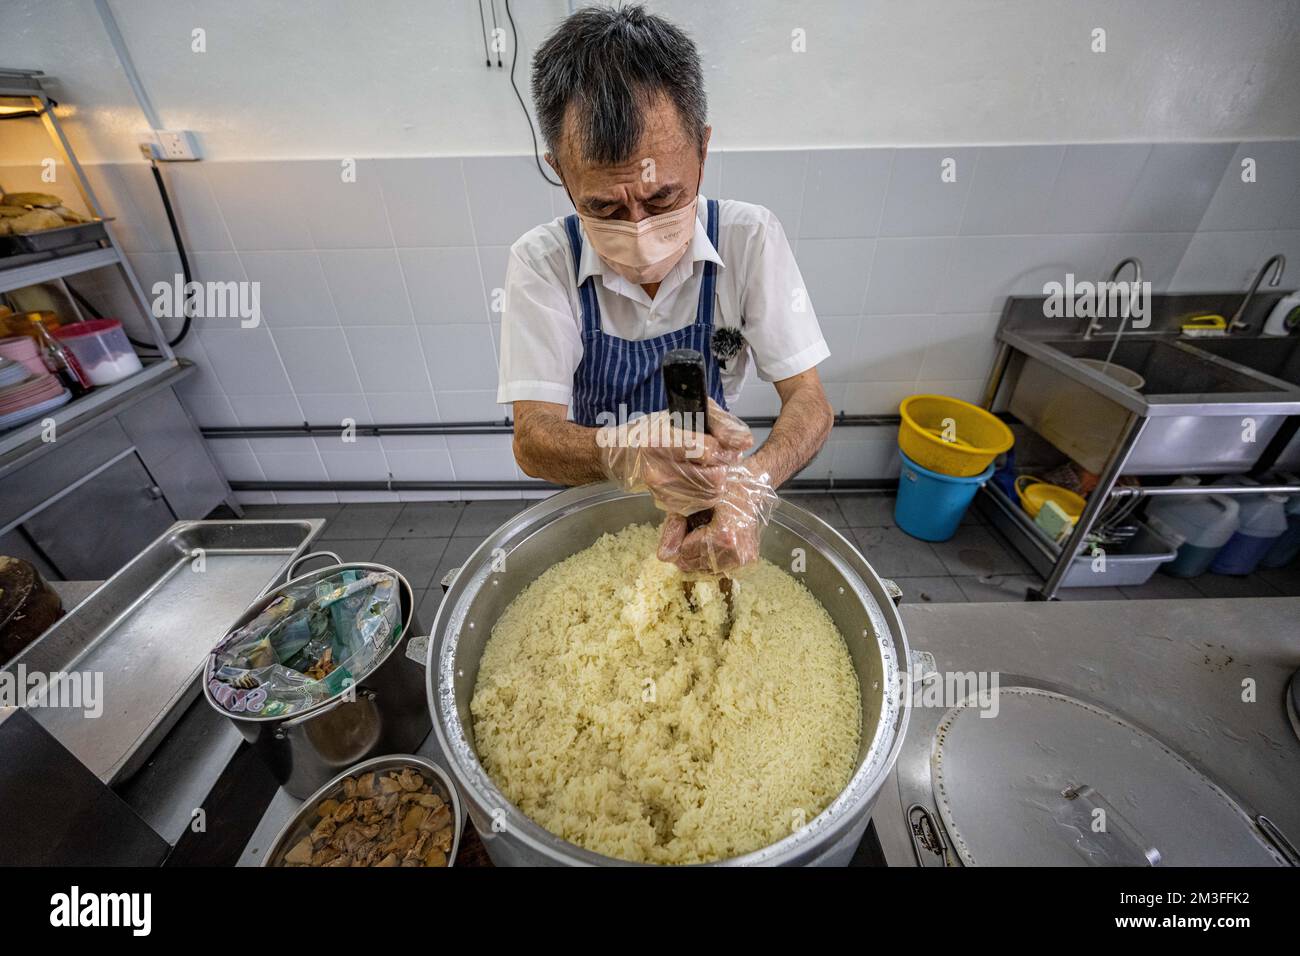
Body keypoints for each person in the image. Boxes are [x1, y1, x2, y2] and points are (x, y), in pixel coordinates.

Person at [497, 4, 833, 572]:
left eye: (663, 200)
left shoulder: (749, 240)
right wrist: (622, 449)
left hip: (714, 492)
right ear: (559, 169)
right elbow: (533, 440)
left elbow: (811, 402)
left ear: (702, 150)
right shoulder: (542, 263)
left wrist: (750, 486)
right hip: (597, 497)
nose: (639, 233)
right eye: (603, 207)